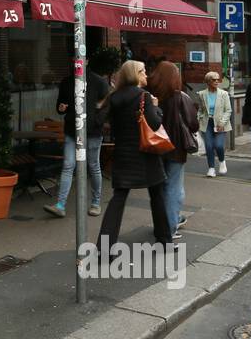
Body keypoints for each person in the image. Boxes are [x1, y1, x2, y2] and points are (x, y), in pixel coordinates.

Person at [95, 60, 172, 250]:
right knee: (157, 195)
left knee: (118, 199)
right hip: (146, 156)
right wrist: (156, 107)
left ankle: (105, 249)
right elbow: (154, 124)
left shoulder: (114, 97)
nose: (146, 74)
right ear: (135, 75)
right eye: (143, 71)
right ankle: (164, 241)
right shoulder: (144, 96)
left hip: (123, 155)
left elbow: (98, 120)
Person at [44, 67, 110, 219]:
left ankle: (95, 203)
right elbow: (60, 106)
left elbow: (107, 106)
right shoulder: (67, 82)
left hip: (92, 132)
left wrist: (97, 121)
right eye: (72, 58)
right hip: (72, 132)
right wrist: (61, 108)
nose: (75, 61)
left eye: (78, 58)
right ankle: (60, 205)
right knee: (68, 165)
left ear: (87, 59)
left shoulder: (99, 82)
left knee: (93, 166)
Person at [155, 61, 198, 237]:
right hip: (176, 149)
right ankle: (171, 227)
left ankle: (166, 222)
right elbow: (193, 124)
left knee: (161, 187)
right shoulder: (181, 97)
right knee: (174, 188)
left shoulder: (151, 96)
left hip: (155, 148)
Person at [200, 71, 233, 177]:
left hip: (220, 123)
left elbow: (228, 110)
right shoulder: (202, 94)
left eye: (217, 79)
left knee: (218, 145)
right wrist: (199, 119)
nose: (216, 81)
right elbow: (201, 110)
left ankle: (222, 161)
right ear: (207, 81)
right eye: (213, 79)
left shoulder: (224, 94)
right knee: (209, 146)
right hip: (207, 123)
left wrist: (222, 123)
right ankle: (211, 168)